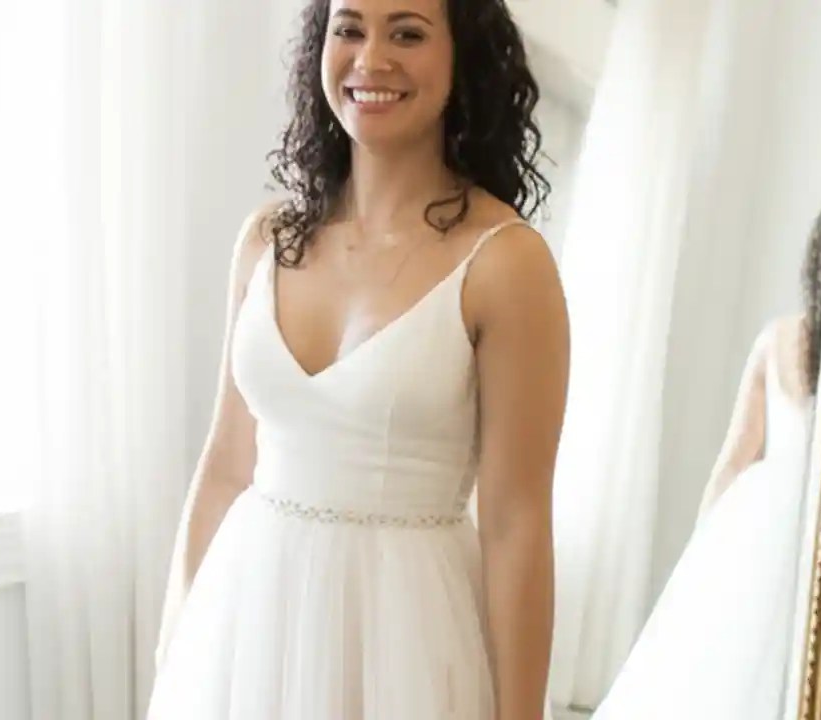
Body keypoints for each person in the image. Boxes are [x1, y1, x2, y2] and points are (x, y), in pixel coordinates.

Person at [148, 1, 569, 718]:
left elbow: (516, 523)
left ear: (461, 55)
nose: (371, 59)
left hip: (407, 637)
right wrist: (175, 650)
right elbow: (225, 465)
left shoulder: (506, 263)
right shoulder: (267, 238)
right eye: (350, 29)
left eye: (406, 33)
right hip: (243, 631)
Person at [590, 208, 821, 720]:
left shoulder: (778, 337)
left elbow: (734, 457)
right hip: (809, 519)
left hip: (758, 515)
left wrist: (706, 542)